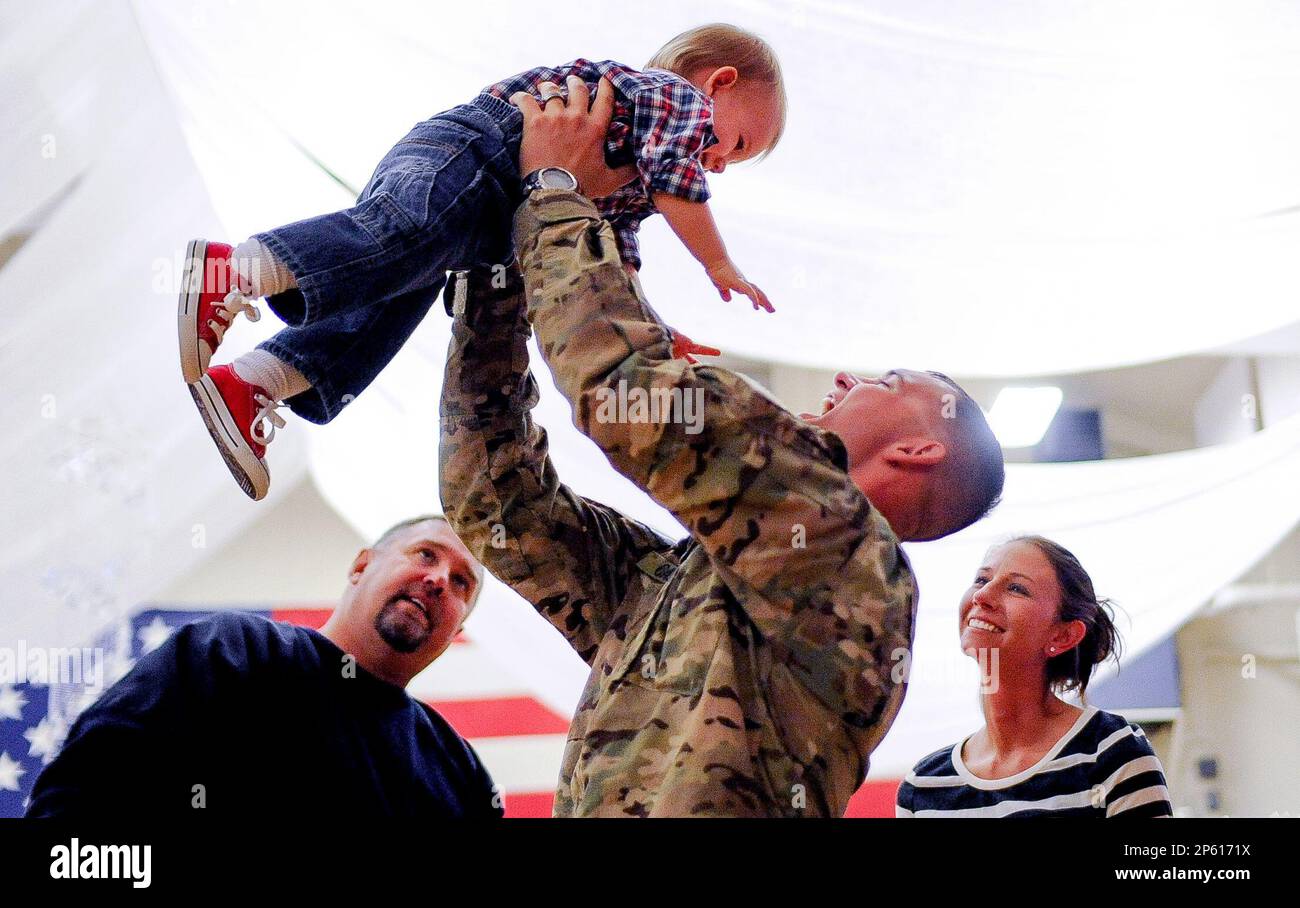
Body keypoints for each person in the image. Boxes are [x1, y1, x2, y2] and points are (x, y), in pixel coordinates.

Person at [437, 81, 1006, 816]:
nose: (846, 377)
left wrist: (552, 190)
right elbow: (497, 504)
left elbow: (624, 390)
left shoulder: (844, 548)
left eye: (887, 381)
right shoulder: (695, 586)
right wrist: (495, 285)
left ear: (920, 450)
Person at [179, 22, 785, 500]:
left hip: (484, 209)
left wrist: (646, 328)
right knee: (408, 233)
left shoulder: (641, 178)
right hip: (478, 148)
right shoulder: (674, 103)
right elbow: (683, 184)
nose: (722, 164)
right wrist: (720, 267)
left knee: (384, 310)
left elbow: (608, 259)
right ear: (718, 83)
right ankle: (234, 272)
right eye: (738, 144)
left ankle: (255, 382)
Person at [26, 516, 502, 818]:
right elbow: (85, 788)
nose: (439, 580)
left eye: (462, 584)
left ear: (458, 627)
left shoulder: (460, 774)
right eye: (425, 554)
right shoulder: (238, 651)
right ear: (361, 566)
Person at [895, 535, 1173, 818]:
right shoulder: (923, 786)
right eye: (981, 580)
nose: (982, 596)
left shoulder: (1111, 753)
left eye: (1016, 588)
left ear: (1063, 635)